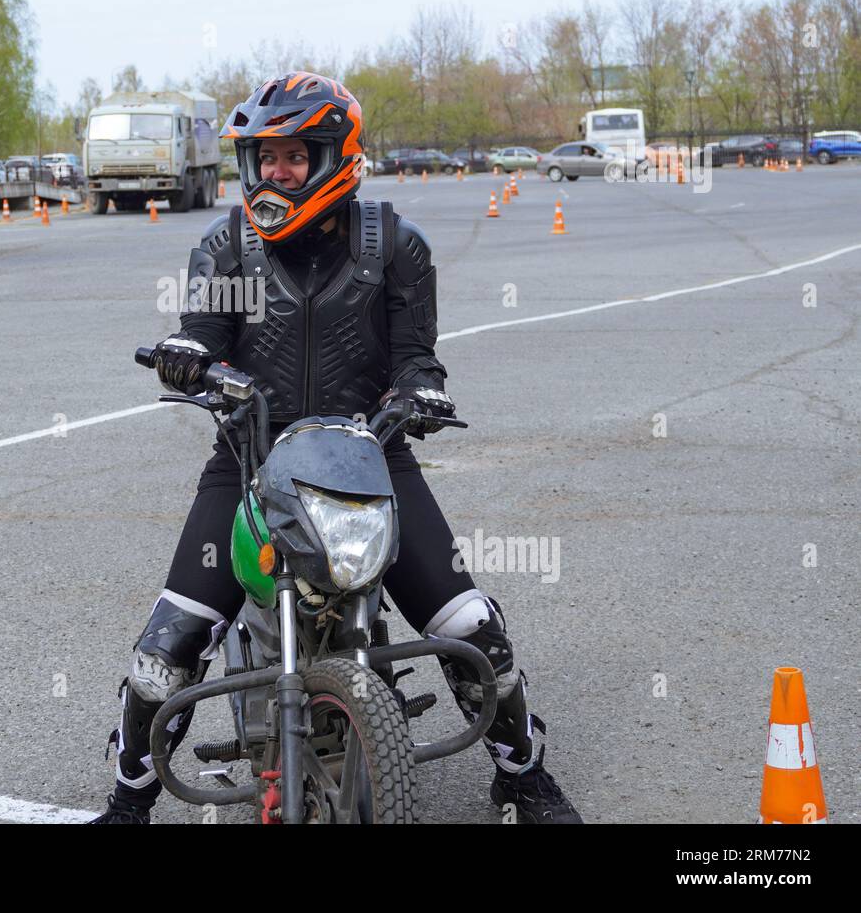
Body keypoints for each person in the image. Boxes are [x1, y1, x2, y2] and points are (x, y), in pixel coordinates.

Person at [92, 72, 579, 824]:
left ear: (336, 157)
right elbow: (201, 331)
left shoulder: (397, 248)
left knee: (472, 628)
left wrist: (419, 391)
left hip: (370, 460)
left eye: (293, 156)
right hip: (250, 463)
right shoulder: (227, 246)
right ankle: (128, 797)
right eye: (262, 158)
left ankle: (523, 771)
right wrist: (188, 352)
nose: (274, 174)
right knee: (170, 644)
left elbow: (420, 358)